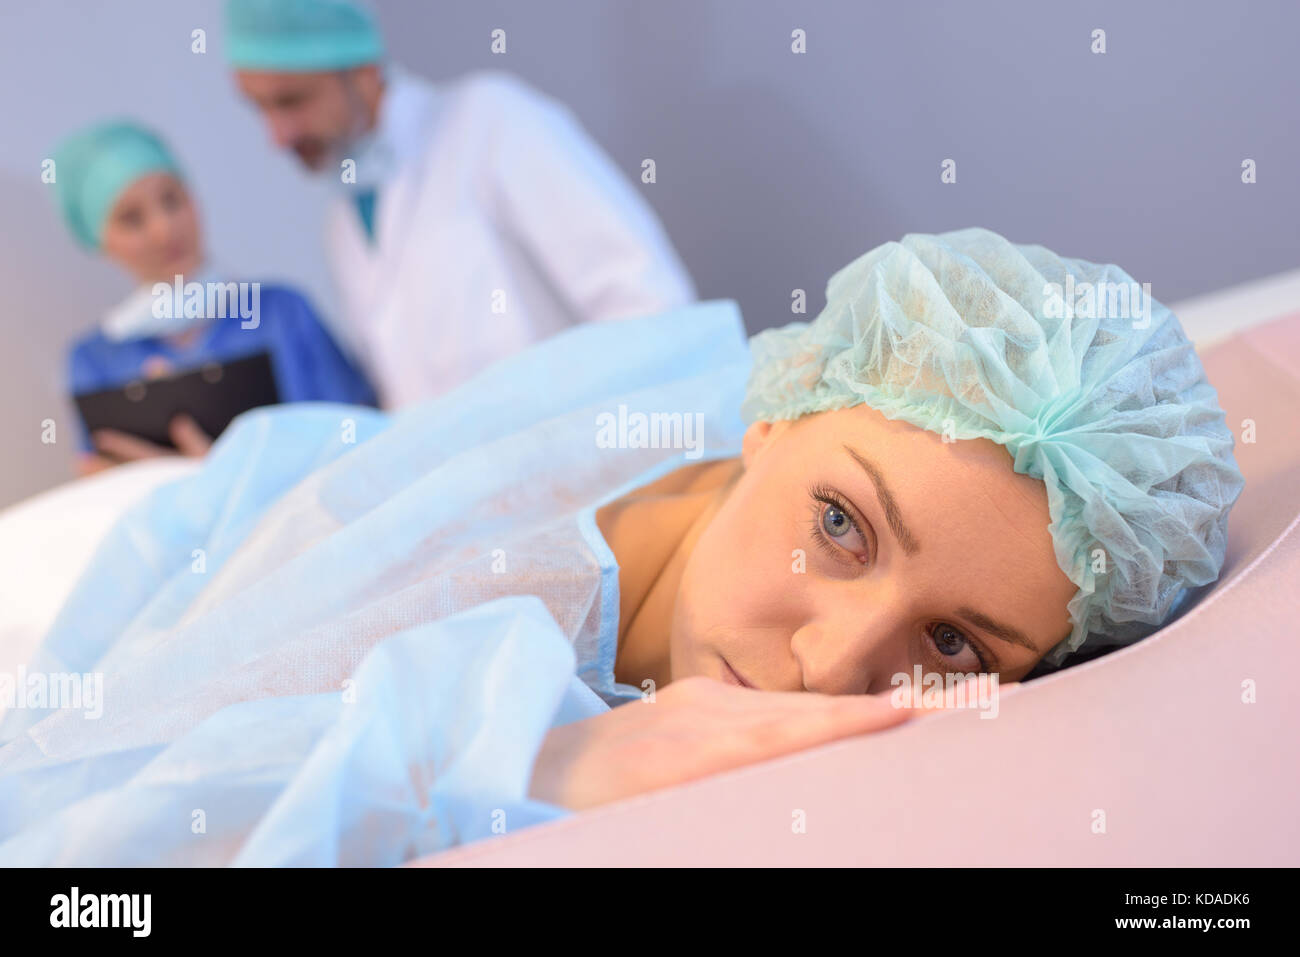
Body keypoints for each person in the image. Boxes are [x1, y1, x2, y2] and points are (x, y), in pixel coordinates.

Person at [0, 229, 1243, 865]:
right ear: (771, 413)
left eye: (956, 642)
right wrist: (518, 761)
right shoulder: (461, 599)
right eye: (839, 526)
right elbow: (69, 859)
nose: (831, 658)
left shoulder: (791, 456)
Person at [224, 0, 696, 408]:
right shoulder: (342, 225)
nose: (277, 137)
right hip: (476, 507)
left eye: (291, 102)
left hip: (596, 489)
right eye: (258, 108)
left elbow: (652, 307)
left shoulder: (491, 121)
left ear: (363, 72)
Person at [52, 121, 378, 474]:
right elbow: (106, 485)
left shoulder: (280, 311)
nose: (165, 229)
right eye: (132, 219)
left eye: (172, 200)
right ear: (99, 241)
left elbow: (361, 435)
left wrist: (216, 472)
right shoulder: (95, 361)